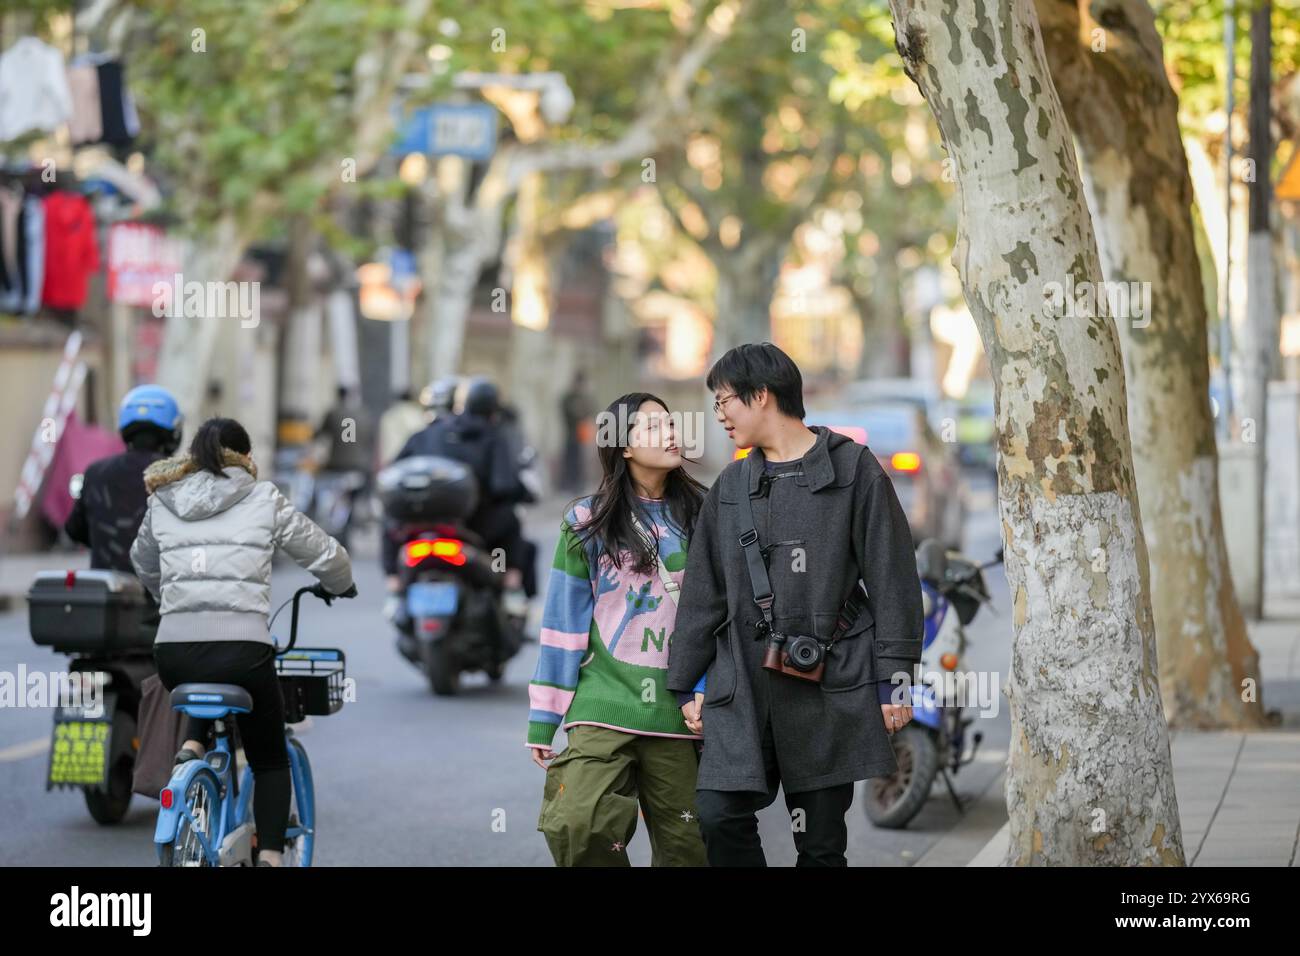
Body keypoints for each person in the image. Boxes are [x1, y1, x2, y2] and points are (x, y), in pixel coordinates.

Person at [665, 342, 924, 867]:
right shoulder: (731, 487)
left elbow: (894, 578)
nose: (720, 416)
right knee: (718, 815)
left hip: (828, 686)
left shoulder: (855, 471)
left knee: (822, 847)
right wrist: (688, 684)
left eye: (725, 402)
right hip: (742, 688)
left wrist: (892, 681)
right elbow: (703, 595)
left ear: (761, 396)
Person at [130, 417, 355, 867]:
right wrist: (341, 582)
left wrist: (169, 597)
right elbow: (322, 552)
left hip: (173, 655)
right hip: (243, 655)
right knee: (269, 758)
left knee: (202, 666)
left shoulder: (163, 499)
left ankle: (194, 744)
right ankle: (270, 855)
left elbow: (143, 562)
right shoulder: (262, 497)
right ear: (246, 458)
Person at [527, 392, 708, 866]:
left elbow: (720, 615)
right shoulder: (586, 521)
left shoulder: (705, 514)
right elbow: (563, 622)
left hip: (680, 711)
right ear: (622, 446)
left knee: (690, 848)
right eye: (652, 427)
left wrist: (706, 688)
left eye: (670, 424)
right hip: (603, 701)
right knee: (577, 823)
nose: (669, 433)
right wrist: (544, 716)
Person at [385, 377, 535, 615]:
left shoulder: (427, 434)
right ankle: (511, 589)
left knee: (391, 522)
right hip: (474, 526)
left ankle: (393, 587)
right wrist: (522, 493)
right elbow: (503, 486)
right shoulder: (493, 436)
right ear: (494, 410)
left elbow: (394, 474)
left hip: (422, 523)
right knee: (511, 521)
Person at [65, 384, 183, 572]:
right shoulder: (180, 475)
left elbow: (74, 530)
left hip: (106, 591)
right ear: (173, 431)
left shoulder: (96, 472)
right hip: (161, 591)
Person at [558, 369, 594, 492]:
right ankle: (568, 484)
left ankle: (578, 484)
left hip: (582, 434)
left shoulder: (585, 397)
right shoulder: (569, 397)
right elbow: (569, 411)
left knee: (580, 461)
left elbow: (590, 411)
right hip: (570, 433)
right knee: (570, 459)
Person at [377, 388, 428, 467]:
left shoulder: (388, 415)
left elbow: (382, 442)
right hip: (410, 460)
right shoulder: (416, 414)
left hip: (390, 459)